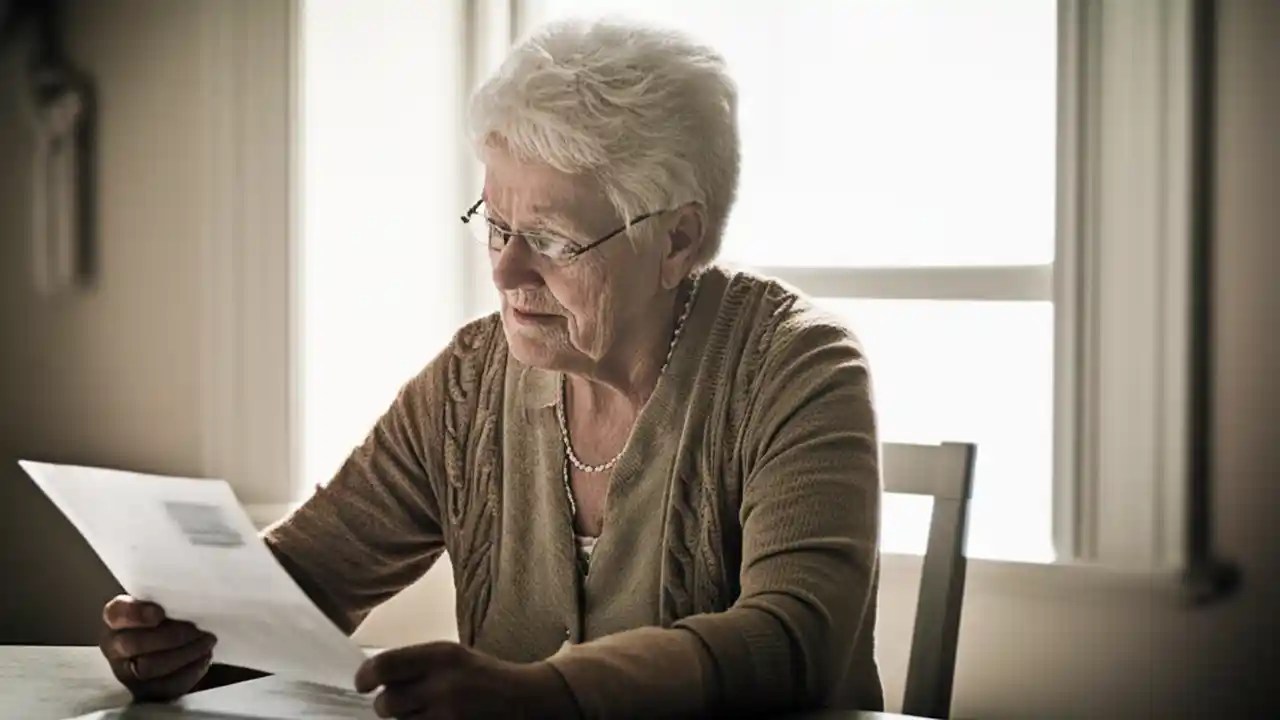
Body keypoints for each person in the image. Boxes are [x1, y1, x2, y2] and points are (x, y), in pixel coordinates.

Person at [98, 17, 883, 719]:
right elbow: (307, 580)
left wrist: (549, 694)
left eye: (552, 239)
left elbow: (792, 640)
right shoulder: (470, 381)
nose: (506, 272)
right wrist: (186, 639)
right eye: (496, 225)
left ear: (677, 240)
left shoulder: (797, 367)